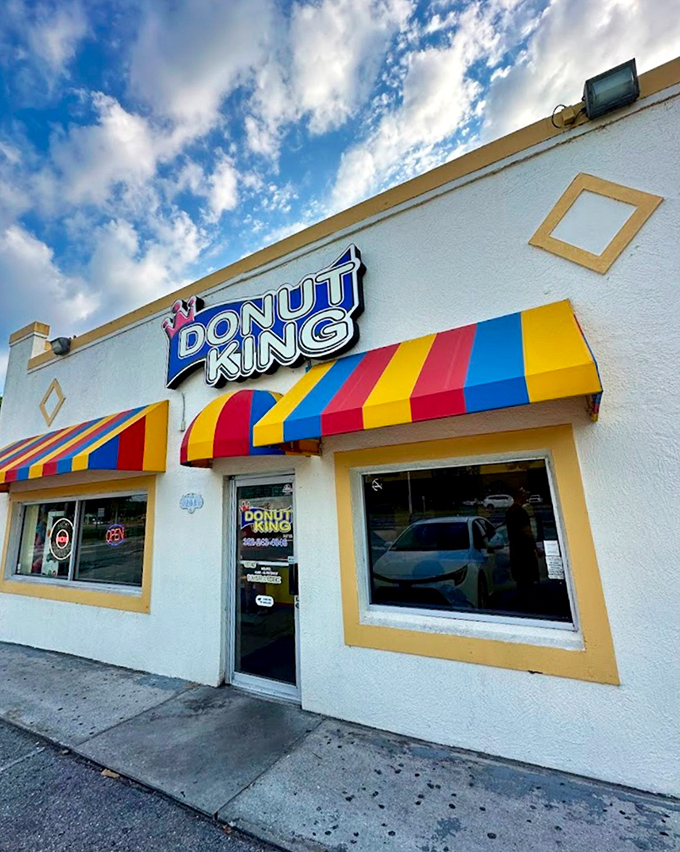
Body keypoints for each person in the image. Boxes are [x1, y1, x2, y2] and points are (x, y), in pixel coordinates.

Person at [505, 487, 541, 599]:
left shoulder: (509, 512)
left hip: (515, 549)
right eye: (523, 495)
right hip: (524, 550)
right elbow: (526, 530)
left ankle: (523, 597)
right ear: (519, 497)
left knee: (520, 579)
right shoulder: (521, 512)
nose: (525, 497)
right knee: (528, 578)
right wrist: (536, 548)